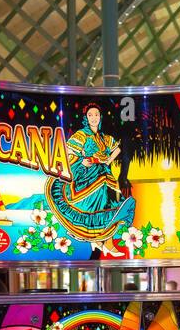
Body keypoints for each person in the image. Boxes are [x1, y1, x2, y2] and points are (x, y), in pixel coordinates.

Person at [46, 104, 135, 258]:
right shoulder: (82, 135)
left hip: (105, 175)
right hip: (89, 176)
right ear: (86, 118)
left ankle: (106, 242)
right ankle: (99, 242)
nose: (94, 118)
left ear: (100, 117)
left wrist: (107, 161)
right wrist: (81, 160)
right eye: (90, 115)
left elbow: (117, 149)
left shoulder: (104, 137)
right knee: (92, 207)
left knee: (109, 207)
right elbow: (68, 151)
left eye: (96, 114)